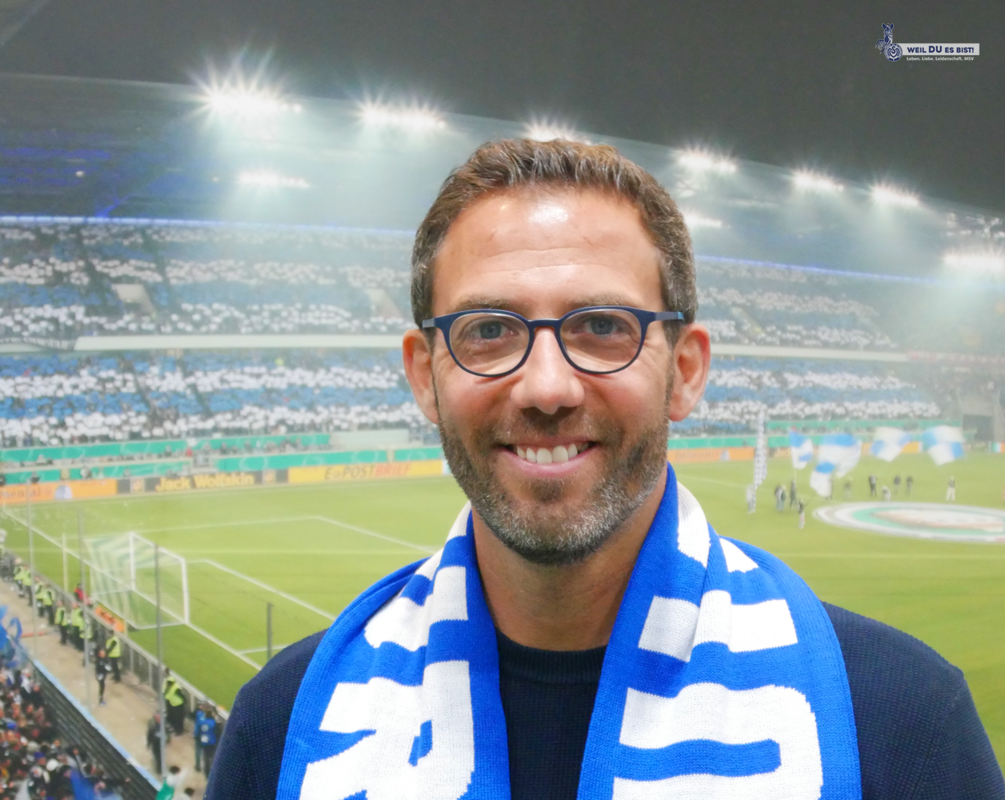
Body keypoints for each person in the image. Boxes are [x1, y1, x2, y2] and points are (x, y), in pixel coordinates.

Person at [204, 140, 1004, 800]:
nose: (547, 387)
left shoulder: (902, 729)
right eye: (489, 330)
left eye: (601, 326)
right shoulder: (282, 729)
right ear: (424, 376)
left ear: (685, 371)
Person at [194, 706, 219, 777]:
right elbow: (217, 731)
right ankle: (212, 771)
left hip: (203, 740)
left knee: (204, 756)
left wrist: (197, 737)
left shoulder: (202, 720)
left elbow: (198, 729)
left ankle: (201, 768)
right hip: (211, 742)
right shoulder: (213, 722)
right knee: (212, 756)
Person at [162, 669, 186, 735]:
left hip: (179, 705)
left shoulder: (175, 688)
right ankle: (175, 728)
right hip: (174, 705)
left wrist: (184, 701)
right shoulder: (169, 689)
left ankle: (179, 731)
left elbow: (181, 695)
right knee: (174, 717)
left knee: (179, 718)